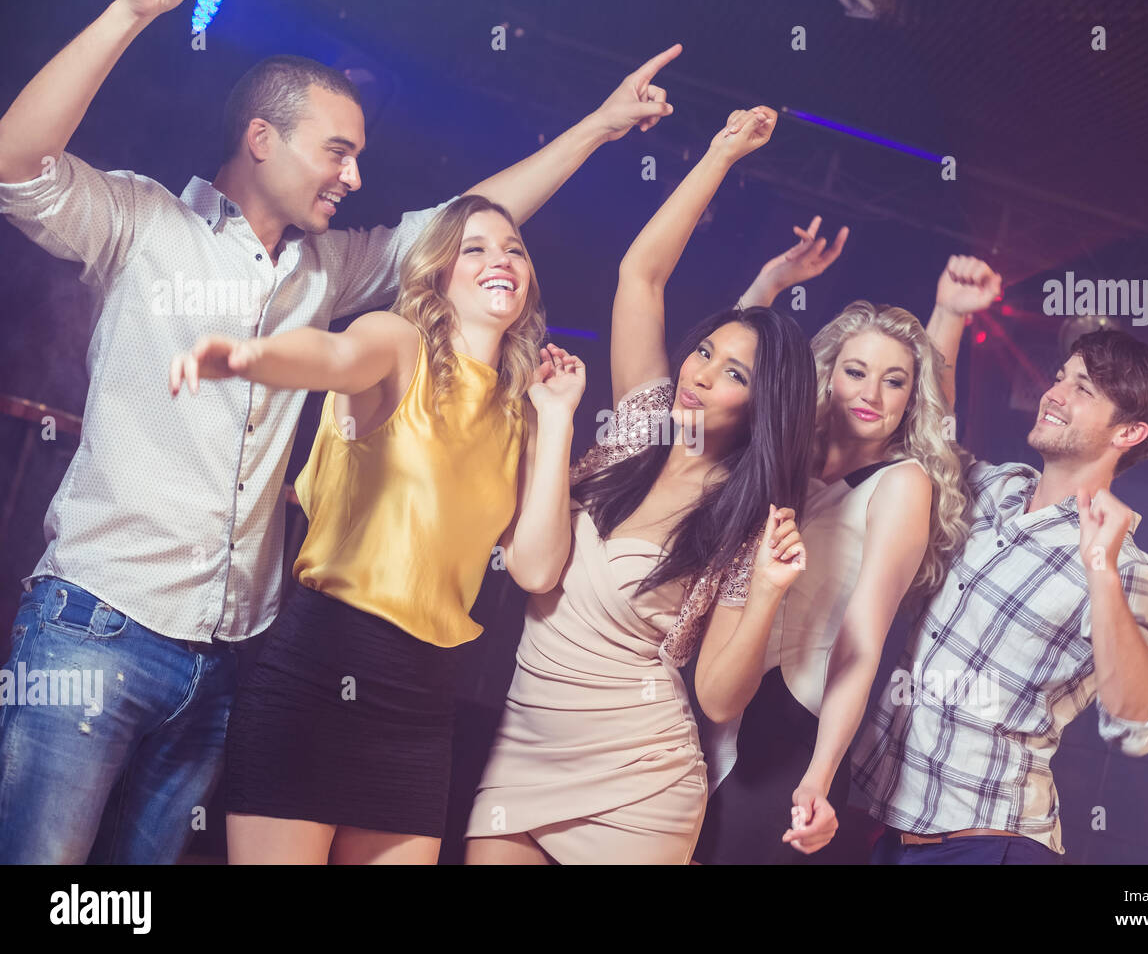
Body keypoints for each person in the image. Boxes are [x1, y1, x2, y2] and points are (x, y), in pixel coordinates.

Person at [0, 0, 682, 863]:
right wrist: (127, 13)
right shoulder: (144, 224)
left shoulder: (329, 267)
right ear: (261, 139)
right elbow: (14, 163)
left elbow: (472, 223)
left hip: (227, 655)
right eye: (338, 151)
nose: (353, 176)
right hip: (98, 620)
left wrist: (598, 127)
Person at [168, 194, 579, 864]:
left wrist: (558, 418)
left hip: (424, 701)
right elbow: (331, 357)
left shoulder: (519, 412)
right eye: (473, 248)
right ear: (440, 272)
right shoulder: (399, 344)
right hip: (324, 670)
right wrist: (248, 357)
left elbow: (535, 569)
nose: (499, 258)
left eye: (512, 249)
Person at [463, 107, 817, 864]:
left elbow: (720, 699)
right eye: (706, 352)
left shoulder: (742, 523)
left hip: (638, 779)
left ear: (761, 405)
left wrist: (767, 593)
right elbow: (642, 273)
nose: (701, 374)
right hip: (524, 744)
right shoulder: (645, 424)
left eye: (733, 375)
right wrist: (720, 154)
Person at [855, 265, 1148, 864]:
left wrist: (1101, 571)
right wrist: (951, 316)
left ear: (1130, 431)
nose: (1053, 394)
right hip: (888, 824)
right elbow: (925, 435)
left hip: (991, 843)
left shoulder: (1129, 569)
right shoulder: (997, 487)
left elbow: (1141, 722)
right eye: (1061, 379)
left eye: (1083, 390)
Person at [692, 231, 981, 863]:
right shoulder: (784, 456)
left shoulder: (902, 484)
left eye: (895, 381)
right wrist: (769, 283)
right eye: (856, 372)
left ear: (913, 398)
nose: (871, 395)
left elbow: (863, 638)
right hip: (698, 707)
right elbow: (717, 385)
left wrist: (820, 776)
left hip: (791, 736)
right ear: (829, 373)